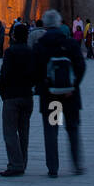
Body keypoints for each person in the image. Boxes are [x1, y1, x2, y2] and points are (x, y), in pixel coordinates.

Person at [32, 9, 86, 177]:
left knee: (52, 130)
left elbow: (36, 72)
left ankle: (53, 168)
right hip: (69, 96)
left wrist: (44, 87)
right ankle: (77, 165)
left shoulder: (41, 45)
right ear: (59, 23)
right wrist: (73, 86)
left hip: (51, 98)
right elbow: (81, 66)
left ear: (45, 25)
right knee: (72, 129)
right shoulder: (70, 44)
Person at [0, 22, 36, 176]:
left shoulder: (11, 52)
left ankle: (15, 164)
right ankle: (22, 162)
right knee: (24, 131)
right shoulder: (31, 52)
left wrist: (2, 91)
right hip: (27, 96)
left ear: (13, 35)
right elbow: (35, 74)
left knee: (10, 132)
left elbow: (4, 74)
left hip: (12, 96)